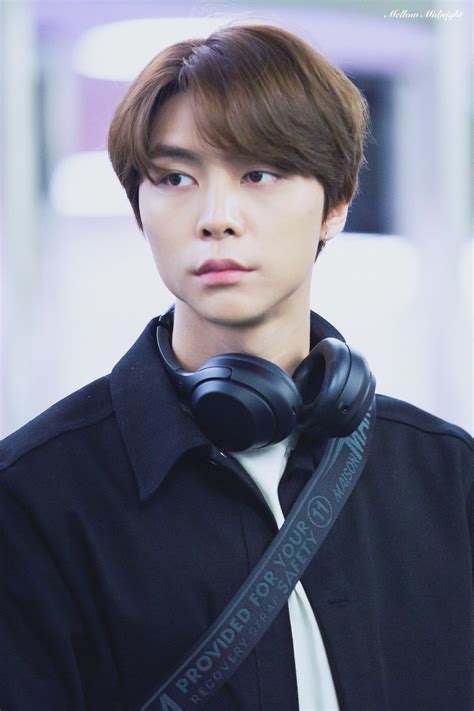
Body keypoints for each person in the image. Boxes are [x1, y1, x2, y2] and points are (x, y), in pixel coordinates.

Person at [0, 22, 472, 711]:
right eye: (175, 177)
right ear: (139, 209)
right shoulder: (34, 498)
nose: (216, 217)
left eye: (259, 173)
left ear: (336, 204)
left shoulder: (447, 477)